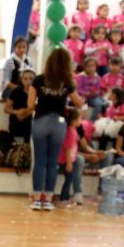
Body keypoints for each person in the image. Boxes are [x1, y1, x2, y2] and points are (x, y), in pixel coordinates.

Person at [28, 46, 83, 211]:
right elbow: (79, 103)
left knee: (39, 162)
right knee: (52, 163)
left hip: (40, 122)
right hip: (59, 123)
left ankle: (37, 199)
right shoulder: (67, 83)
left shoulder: (38, 80)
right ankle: (49, 200)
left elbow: (30, 105)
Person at [4, 68, 34, 142]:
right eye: (25, 79)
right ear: (21, 80)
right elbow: (6, 109)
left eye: (31, 79)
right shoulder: (16, 91)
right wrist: (17, 112)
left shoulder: (36, 92)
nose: (28, 81)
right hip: (16, 122)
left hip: (31, 121)